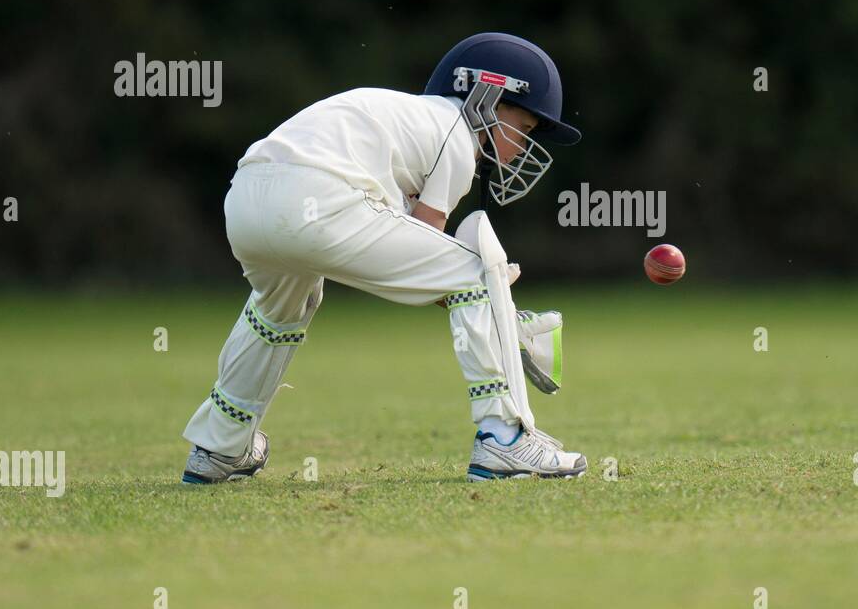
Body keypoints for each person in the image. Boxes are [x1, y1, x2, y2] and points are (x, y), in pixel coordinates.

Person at [180, 32, 584, 484]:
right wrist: (500, 309)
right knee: (474, 267)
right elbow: (439, 264)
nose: (522, 148)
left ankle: (221, 445)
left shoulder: (407, 116)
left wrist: (494, 312)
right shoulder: (455, 135)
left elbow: (420, 265)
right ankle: (505, 440)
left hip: (246, 201)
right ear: (486, 96)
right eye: (524, 129)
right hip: (318, 197)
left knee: (280, 308)